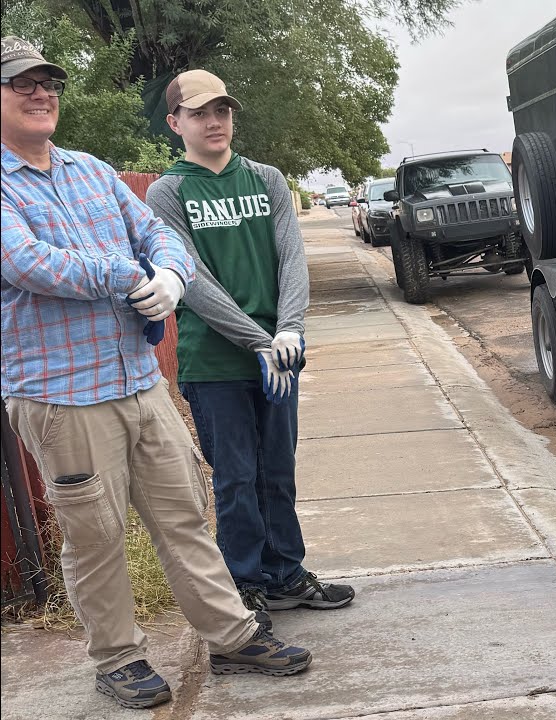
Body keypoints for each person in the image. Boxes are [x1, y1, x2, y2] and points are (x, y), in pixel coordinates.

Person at [0, 37, 311, 710]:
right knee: (95, 535)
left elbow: (160, 236)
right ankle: (116, 658)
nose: (39, 93)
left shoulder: (90, 170)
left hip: (139, 382)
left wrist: (171, 270)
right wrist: (132, 275)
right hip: (63, 397)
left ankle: (232, 636)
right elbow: (28, 263)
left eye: (47, 81)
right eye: (20, 84)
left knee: (185, 517)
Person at [145, 69, 355, 630]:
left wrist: (288, 330)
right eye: (198, 113)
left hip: (278, 357)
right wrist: (257, 340)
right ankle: (244, 581)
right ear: (175, 123)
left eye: (222, 111)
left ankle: (287, 572)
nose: (214, 122)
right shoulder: (169, 192)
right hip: (215, 361)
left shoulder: (266, 178)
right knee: (235, 477)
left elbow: (291, 258)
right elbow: (191, 278)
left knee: (278, 469)